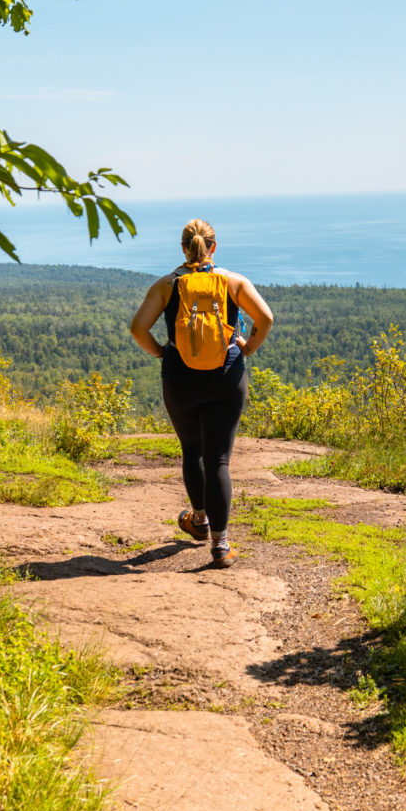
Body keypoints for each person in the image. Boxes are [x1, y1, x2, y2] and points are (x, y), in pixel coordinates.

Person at [128, 219, 273, 568]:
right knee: (218, 459)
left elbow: (137, 328)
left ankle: (199, 520)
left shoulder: (167, 284)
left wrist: (164, 352)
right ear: (214, 246)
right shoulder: (233, 282)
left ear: (183, 248)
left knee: (192, 450)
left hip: (180, 377)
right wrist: (248, 347)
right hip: (226, 375)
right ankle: (221, 547)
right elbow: (265, 318)